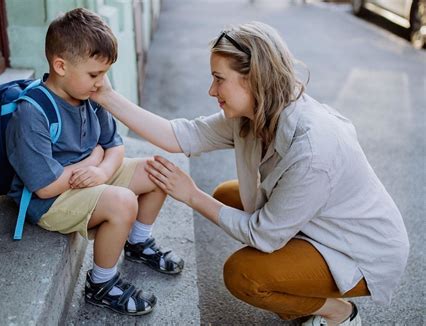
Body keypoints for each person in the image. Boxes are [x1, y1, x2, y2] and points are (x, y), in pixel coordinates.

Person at [90, 22, 410, 325]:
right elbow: (180, 135)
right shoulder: (253, 111)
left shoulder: (314, 149)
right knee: (228, 196)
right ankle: (298, 279)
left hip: (360, 249)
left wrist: (191, 195)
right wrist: (105, 95)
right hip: (321, 224)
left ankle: (339, 312)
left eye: (219, 79)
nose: (211, 89)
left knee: (244, 275)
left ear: (253, 78)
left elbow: (263, 236)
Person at [5, 8, 184, 316]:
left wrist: (100, 168)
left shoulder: (90, 95)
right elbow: (46, 187)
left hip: (89, 178)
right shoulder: (31, 113)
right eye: (94, 74)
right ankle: (101, 284)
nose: (102, 83)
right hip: (51, 200)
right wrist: (92, 161)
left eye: (104, 73)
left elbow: (115, 147)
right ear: (60, 66)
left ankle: (137, 242)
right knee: (123, 202)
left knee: (160, 170)